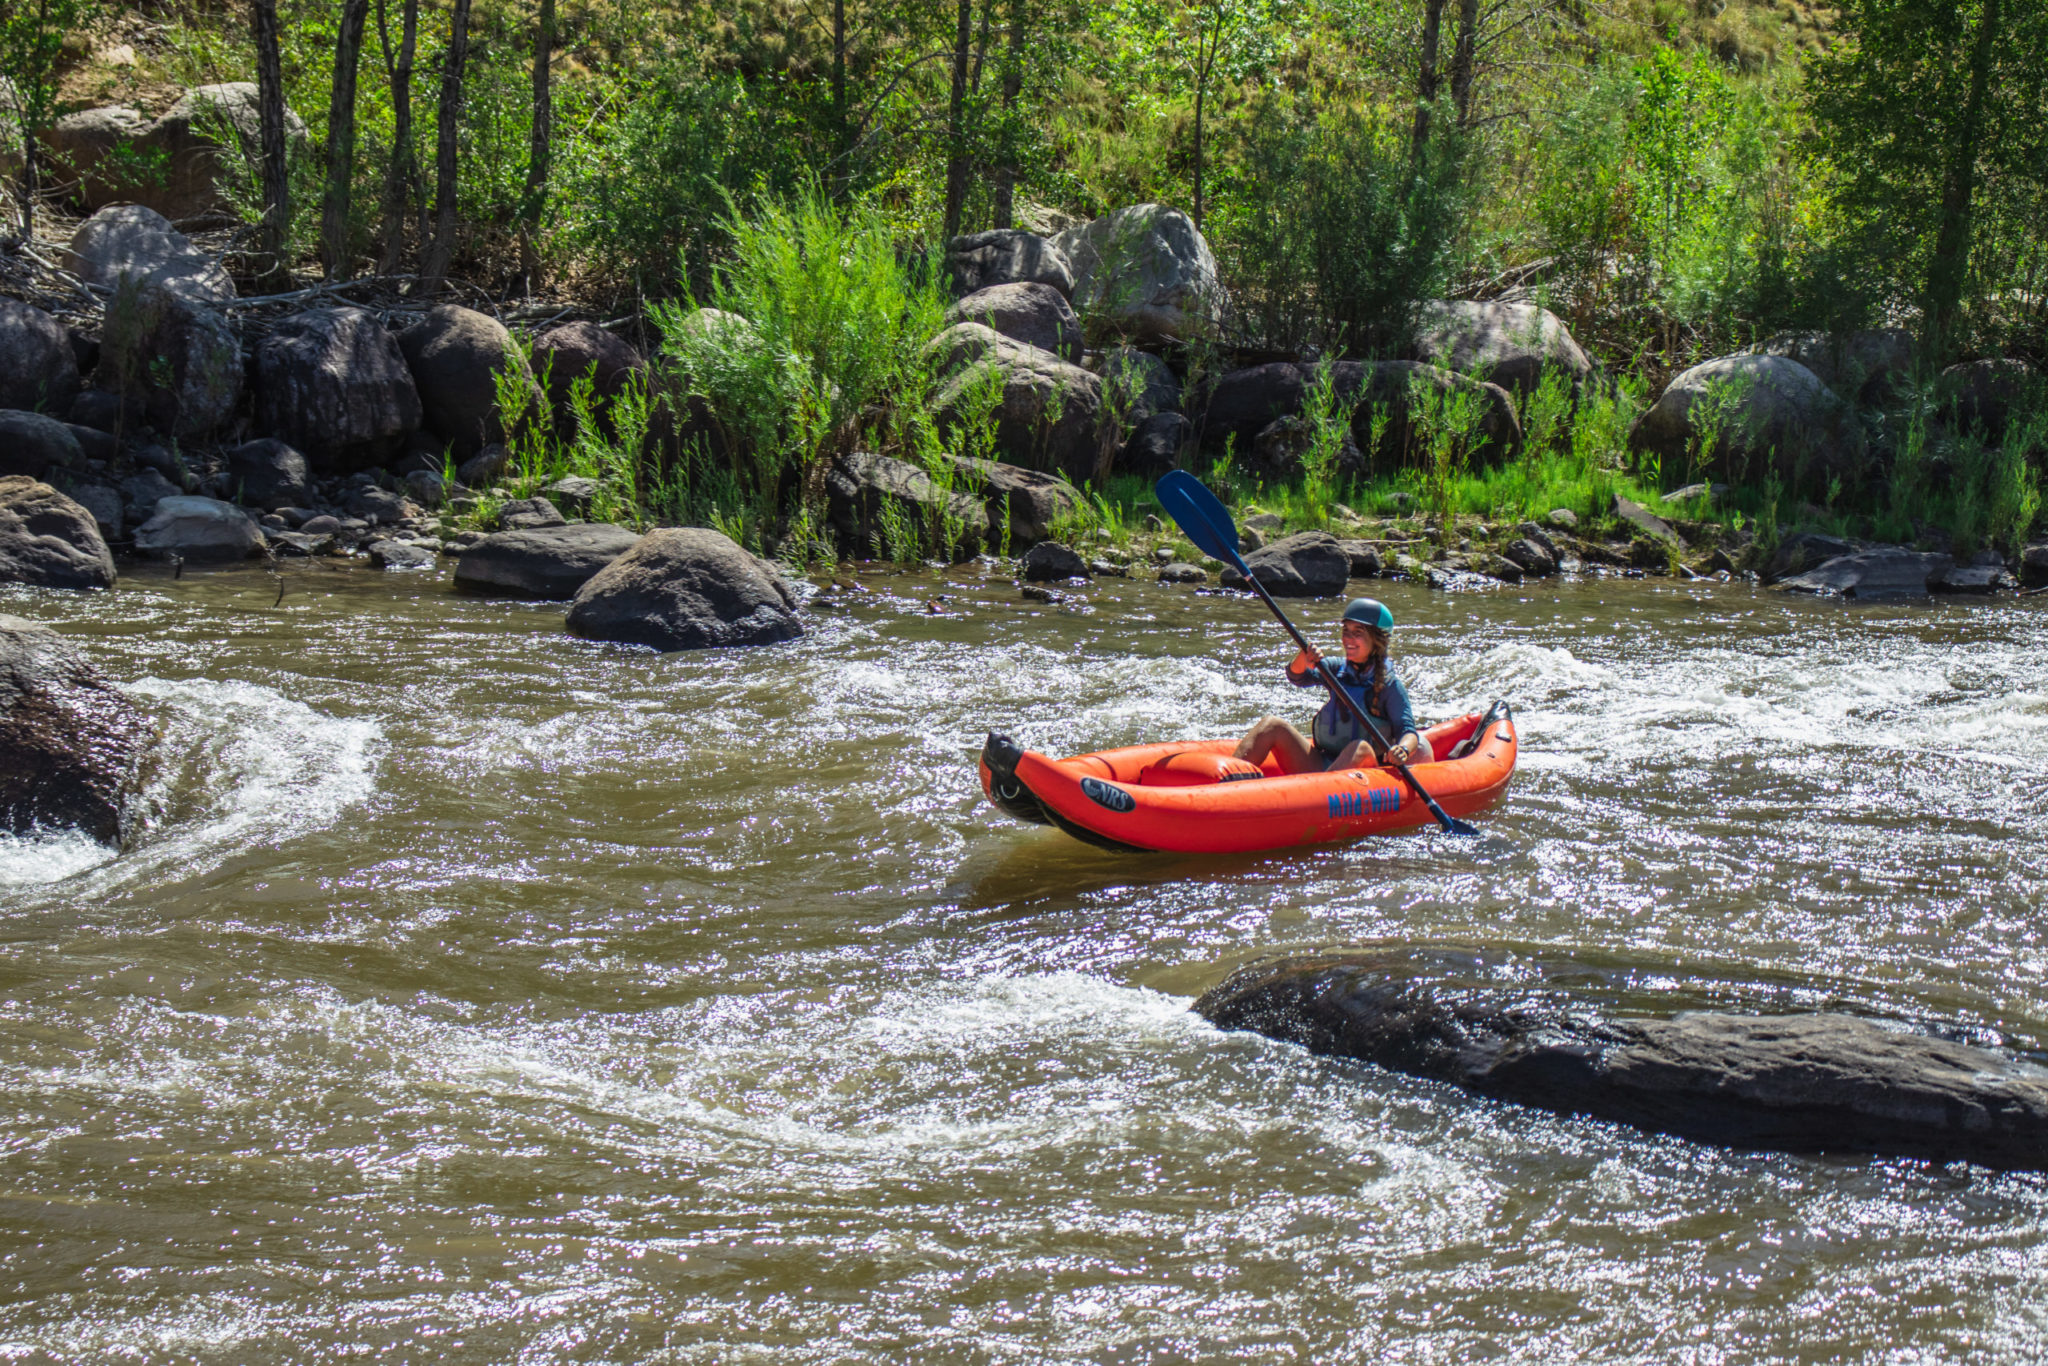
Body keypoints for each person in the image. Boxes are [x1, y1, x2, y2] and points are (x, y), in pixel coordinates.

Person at [1233, 597, 1434, 775]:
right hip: (1323, 762)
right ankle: (1227, 782)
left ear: (1377, 640)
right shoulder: (1337, 669)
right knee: (1272, 724)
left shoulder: (1390, 686)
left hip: (1366, 772)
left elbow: (1407, 731)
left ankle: (1317, 798)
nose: (1348, 639)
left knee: (1360, 748)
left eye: (1358, 633)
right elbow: (1298, 677)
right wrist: (1305, 657)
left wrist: (1404, 749)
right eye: (1346, 631)